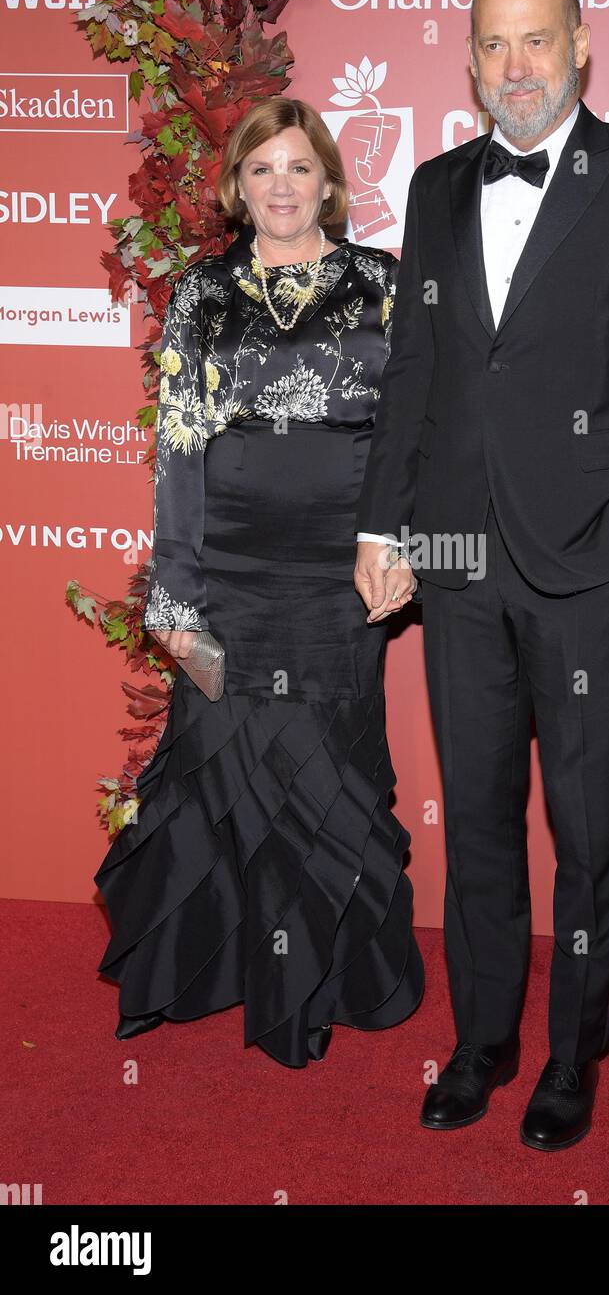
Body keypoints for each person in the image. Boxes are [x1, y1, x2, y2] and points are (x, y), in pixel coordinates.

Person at [354, 0, 609, 1147]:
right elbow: (414, 372)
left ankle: (572, 1054)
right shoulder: (435, 186)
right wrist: (381, 523)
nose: (515, 66)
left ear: (578, 48)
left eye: (535, 42)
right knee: (476, 821)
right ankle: (482, 1041)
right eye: (493, 47)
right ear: (469, 65)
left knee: (586, 828)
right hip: (457, 557)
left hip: (584, 566)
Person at [95, 96, 424, 1068]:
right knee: (221, 774)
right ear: (238, 188)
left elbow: (417, 434)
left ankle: (323, 982)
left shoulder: (385, 286)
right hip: (230, 570)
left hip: (339, 573)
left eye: (297, 166)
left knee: (321, 776)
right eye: (260, 169)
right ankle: (218, 970)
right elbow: (180, 448)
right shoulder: (202, 293)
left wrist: (401, 540)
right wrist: (175, 596)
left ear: (329, 177)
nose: (280, 185)